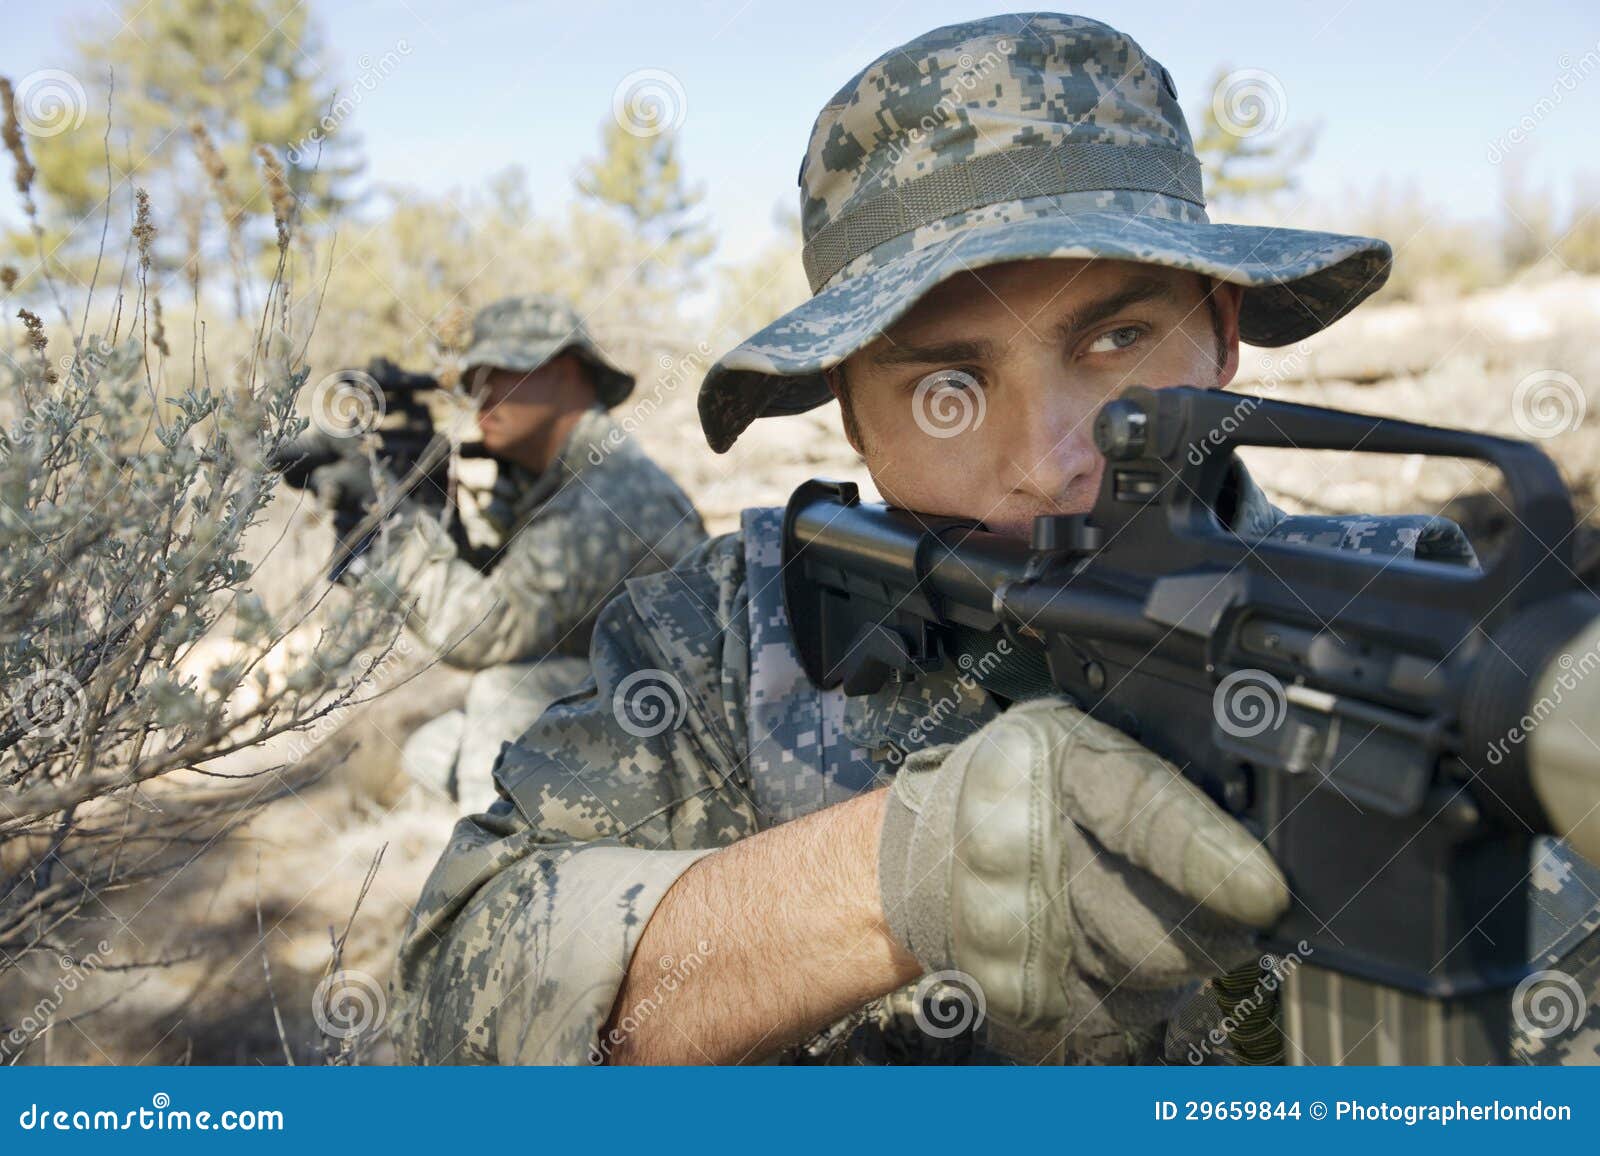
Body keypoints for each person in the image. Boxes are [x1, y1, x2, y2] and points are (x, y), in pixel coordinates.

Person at [393, 14, 1600, 1065]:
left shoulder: (1430, 615)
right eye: (944, 387)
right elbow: (456, 1018)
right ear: (851, 410)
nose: (1047, 460)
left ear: (1222, 333)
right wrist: (889, 881)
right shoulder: (716, 651)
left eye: (1116, 339)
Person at [337, 295, 706, 810]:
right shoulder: (560, 484)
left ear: (565, 372)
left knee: (503, 697)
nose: (478, 394)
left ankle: (500, 882)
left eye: (499, 372)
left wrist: (393, 526)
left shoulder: (607, 492)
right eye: (471, 381)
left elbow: (482, 633)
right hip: (644, 723)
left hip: (690, 745)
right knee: (433, 750)